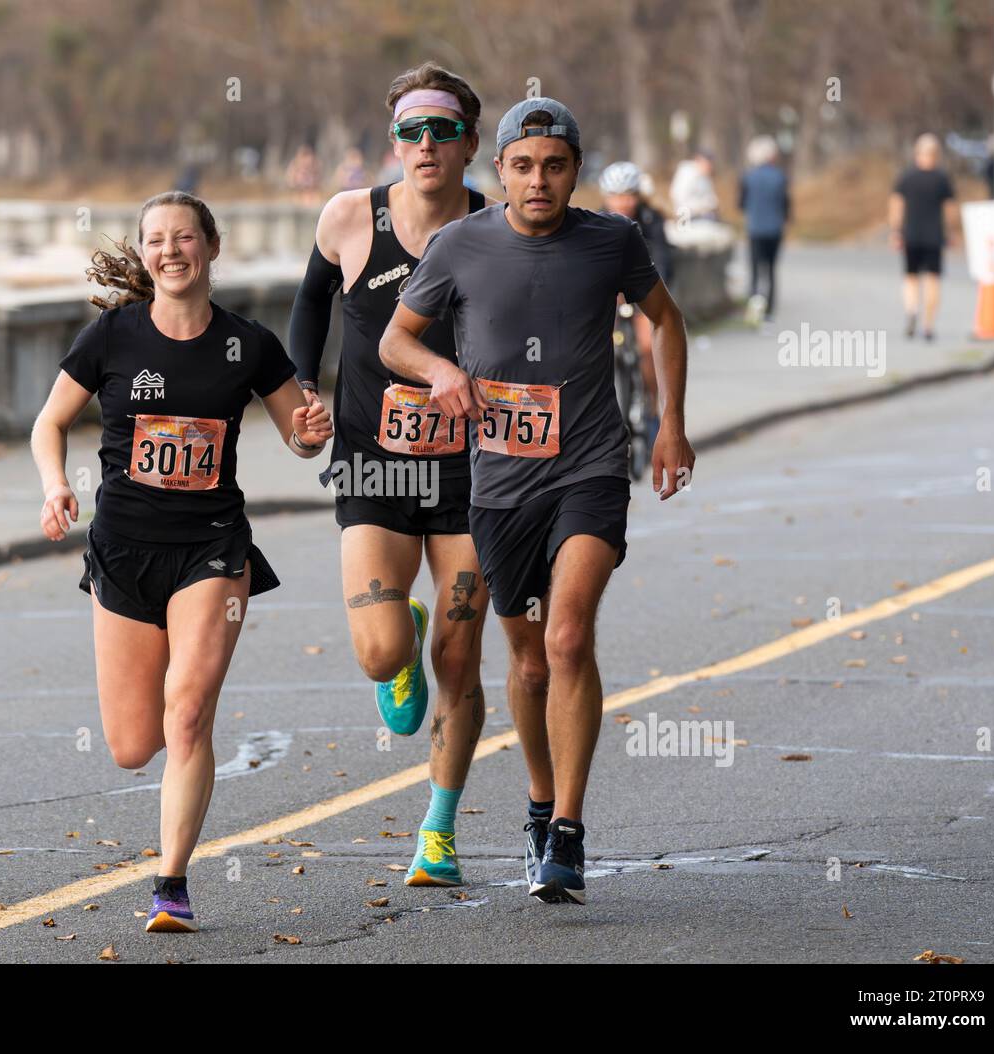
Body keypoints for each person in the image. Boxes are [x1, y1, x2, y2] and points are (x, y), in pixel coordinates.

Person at [381, 98, 696, 905]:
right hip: (499, 484)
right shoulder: (461, 244)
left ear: (575, 171)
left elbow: (667, 319)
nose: (539, 181)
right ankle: (540, 801)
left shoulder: (611, 241)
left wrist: (670, 427)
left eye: (555, 165)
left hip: (589, 467)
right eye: (522, 166)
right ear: (500, 171)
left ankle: (570, 833)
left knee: (566, 636)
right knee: (524, 659)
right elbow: (395, 340)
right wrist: (442, 372)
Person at [30, 191, 333, 934]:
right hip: (124, 550)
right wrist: (56, 484)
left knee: (189, 714)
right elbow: (50, 421)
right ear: (143, 254)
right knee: (134, 746)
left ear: (211, 247)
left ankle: (170, 883)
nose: (171, 250)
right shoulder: (112, 337)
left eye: (185, 237)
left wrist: (314, 429)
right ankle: (168, 843)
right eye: (157, 240)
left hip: (212, 549)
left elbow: (300, 436)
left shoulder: (247, 345)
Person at [288, 62, 491, 887]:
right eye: (411, 131)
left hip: (475, 472)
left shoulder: (501, 225)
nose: (426, 145)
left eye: (443, 130)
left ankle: (437, 832)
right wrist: (305, 388)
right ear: (393, 142)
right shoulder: (349, 218)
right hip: (375, 463)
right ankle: (396, 638)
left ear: (472, 143)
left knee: (462, 657)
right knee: (382, 655)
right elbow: (308, 307)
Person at [601, 160, 673, 433]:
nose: (622, 203)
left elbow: (664, 261)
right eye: (616, 196)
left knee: (646, 347)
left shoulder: (651, 219)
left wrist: (649, 291)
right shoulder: (595, 219)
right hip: (611, 296)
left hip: (641, 295)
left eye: (628, 196)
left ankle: (652, 406)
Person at [889, 133, 957, 342]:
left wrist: (896, 232)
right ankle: (928, 326)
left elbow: (896, 206)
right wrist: (952, 232)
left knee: (910, 278)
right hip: (934, 237)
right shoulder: (942, 178)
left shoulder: (906, 177)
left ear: (917, 153)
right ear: (936, 155)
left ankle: (912, 311)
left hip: (911, 235)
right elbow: (950, 210)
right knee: (933, 281)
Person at [738, 135, 790, 324]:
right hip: (775, 230)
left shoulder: (748, 177)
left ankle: (753, 311)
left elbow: (741, 203)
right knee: (770, 271)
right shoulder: (780, 176)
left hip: (755, 229)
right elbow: (785, 204)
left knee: (754, 271)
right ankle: (769, 311)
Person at [669, 148, 719, 221]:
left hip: (704, 216)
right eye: (708, 162)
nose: (710, 166)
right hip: (686, 217)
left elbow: (712, 200)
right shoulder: (686, 173)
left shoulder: (705, 178)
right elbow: (678, 197)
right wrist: (702, 206)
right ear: (699, 160)